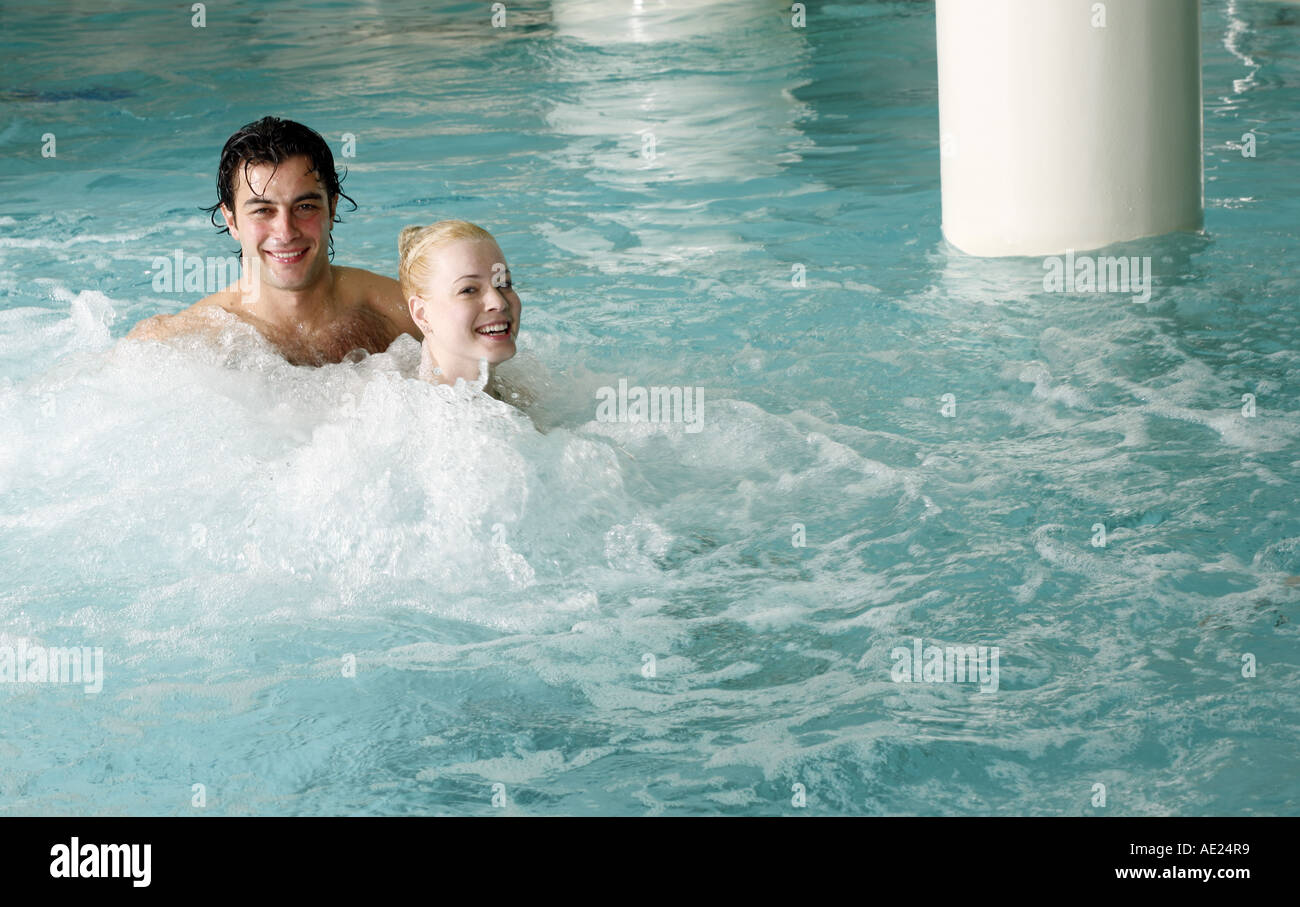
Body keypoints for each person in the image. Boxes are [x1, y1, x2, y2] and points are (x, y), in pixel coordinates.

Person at [127, 116, 421, 365]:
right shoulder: (185, 342)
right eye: (263, 211)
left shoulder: (406, 312)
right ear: (231, 220)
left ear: (331, 209)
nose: (285, 232)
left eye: (305, 207)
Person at [398, 220, 522, 402]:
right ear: (422, 314)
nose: (499, 302)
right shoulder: (418, 421)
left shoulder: (521, 391)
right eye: (469, 290)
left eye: (503, 283)